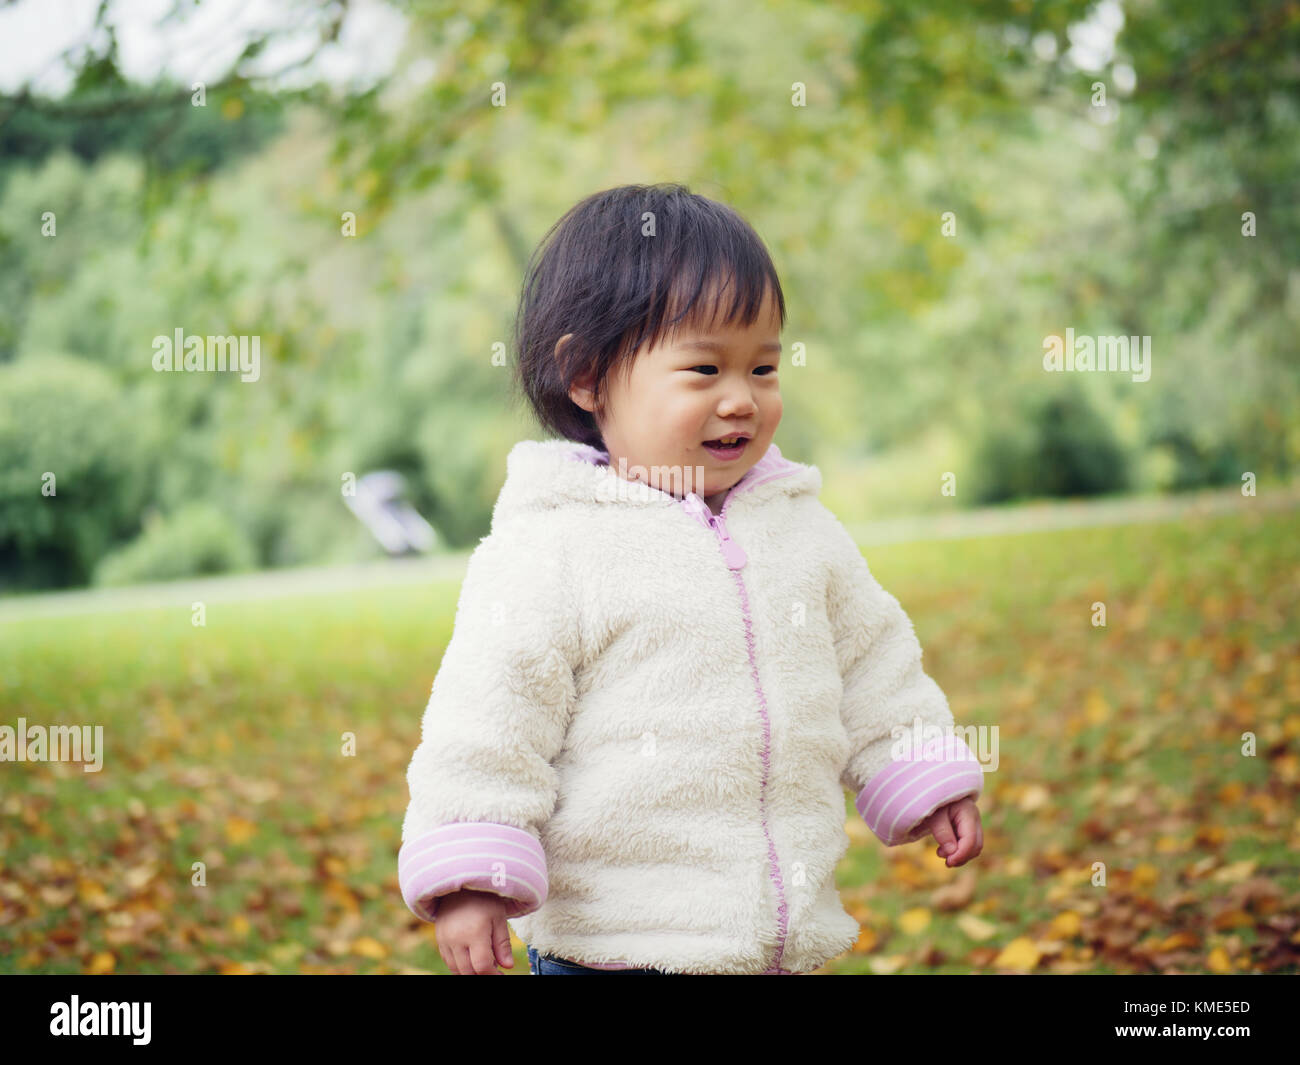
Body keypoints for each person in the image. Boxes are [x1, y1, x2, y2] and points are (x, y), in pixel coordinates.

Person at [397, 183, 984, 975]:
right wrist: (473, 873)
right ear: (586, 375)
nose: (741, 398)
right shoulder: (554, 545)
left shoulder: (800, 528)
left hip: (777, 944)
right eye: (704, 367)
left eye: (765, 366)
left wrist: (921, 769)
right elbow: (489, 716)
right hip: (616, 946)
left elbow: (873, 659)